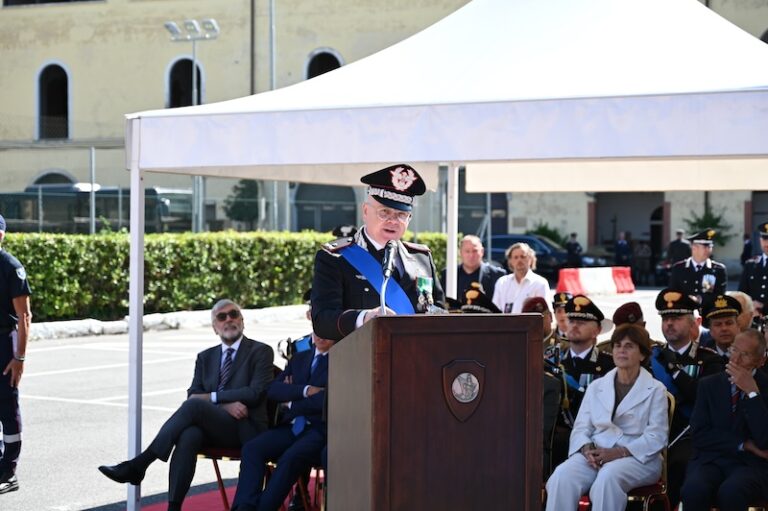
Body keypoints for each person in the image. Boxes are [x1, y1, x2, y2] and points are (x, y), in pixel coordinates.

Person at [99, 300, 275, 511]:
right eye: (221, 317)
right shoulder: (205, 357)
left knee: (194, 408)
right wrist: (223, 404)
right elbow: (194, 394)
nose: (228, 319)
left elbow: (254, 394)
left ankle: (140, 464)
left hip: (247, 428)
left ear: (242, 320)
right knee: (189, 434)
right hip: (218, 426)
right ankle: (173, 508)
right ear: (214, 327)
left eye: (233, 314)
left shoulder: (261, 351)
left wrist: (211, 398)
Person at [310, 164, 444, 341]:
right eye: (384, 212)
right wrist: (364, 318)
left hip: (416, 360)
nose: (393, 221)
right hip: (363, 361)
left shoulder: (421, 258)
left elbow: (440, 313)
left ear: (409, 219)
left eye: (401, 215)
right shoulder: (336, 258)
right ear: (366, 211)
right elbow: (322, 321)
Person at [545, 324, 669, 511]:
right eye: (618, 345)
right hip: (596, 455)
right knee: (562, 476)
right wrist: (586, 449)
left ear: (642, 354)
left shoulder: (656, 389)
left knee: (608, 478)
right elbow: (581, 428)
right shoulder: (597, 386)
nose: (621, 350)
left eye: (629, 346)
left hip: (639, 459)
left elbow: (656, 437)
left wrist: (618, 453)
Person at [231, 331, 334, 511]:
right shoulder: (299, 359)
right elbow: (273, 390)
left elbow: (326, 400)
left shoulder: (342, 360)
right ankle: (243, 508)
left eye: (325, 331)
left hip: (319, 430)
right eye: (316, 329)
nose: (320, 335)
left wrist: (291, 399)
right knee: (252, 449)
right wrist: (306, 390)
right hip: (291, 427)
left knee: (290, 458)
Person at [650, 288, 724, 507]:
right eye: (665, 318)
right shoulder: (650, 358)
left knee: (681, 464)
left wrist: (673, 369)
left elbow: (704, 398)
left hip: (689, 436)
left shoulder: (709, 361)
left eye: (676, 318)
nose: (669, 324)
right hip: (651, 434)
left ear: (693, 323)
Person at [679, 329, 768, 511]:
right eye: (734, 350)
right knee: (694, 489)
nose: (735, 359)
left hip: (750, 465)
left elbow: (764, 440)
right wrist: (744, 444)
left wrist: (752, 394)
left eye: (745, 355)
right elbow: (700, 434)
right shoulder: (709, 385)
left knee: (732, 491)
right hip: (711, 459)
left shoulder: (765, 387)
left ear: (760, 361)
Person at [551, 295, 615, 467]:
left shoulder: (609, 365)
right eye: (572, 320)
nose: (575, 325)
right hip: (559, 439)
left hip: (598, 437)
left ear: (597, 331)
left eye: (582, 322)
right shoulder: (552, 362)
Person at [0, 214, 31, 494]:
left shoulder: (10, 266)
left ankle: (9, 471)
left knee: (7, 407)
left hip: (4, 342)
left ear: (2, 235)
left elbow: (24, 316)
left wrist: (19, 358)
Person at [669, 229, 727, 304]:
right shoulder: (679, 268)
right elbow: (672, 293)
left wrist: (700, 299)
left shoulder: (718, 269)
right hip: (685, 312)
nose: (708, 250)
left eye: (710, 247)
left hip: (708, 313)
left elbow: (720, 295)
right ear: (694, 247)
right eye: (705, 247)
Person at [439, 234, 505, 300]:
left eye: (475, 251)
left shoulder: (496, 275)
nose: (471, 255)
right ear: (460, 253)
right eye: (467, 251)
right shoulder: (448, 274)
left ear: (482, 252)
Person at [491, 242, 550, 314]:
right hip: (505, 325)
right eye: (516, 257)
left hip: (530, 325)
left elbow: (546, 313)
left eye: (523, 256)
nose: (519, 260)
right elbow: (494, 312)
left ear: (530, 259)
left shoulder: (540, 283)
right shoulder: (502, 283)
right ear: (510, 261)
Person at [701, 294, 743, 362]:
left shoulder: (751, 352)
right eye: (718, 324)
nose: (724, 328)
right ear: (710, 330)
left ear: (738, 325)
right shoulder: (702, 355)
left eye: (729, 323)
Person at [739, 221, 768, 316]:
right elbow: (742, 294)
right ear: (760, 240)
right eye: (764, 239)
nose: (767, 243)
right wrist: (750, 307)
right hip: (753, 321)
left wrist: (763, 307)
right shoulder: (750, 265)